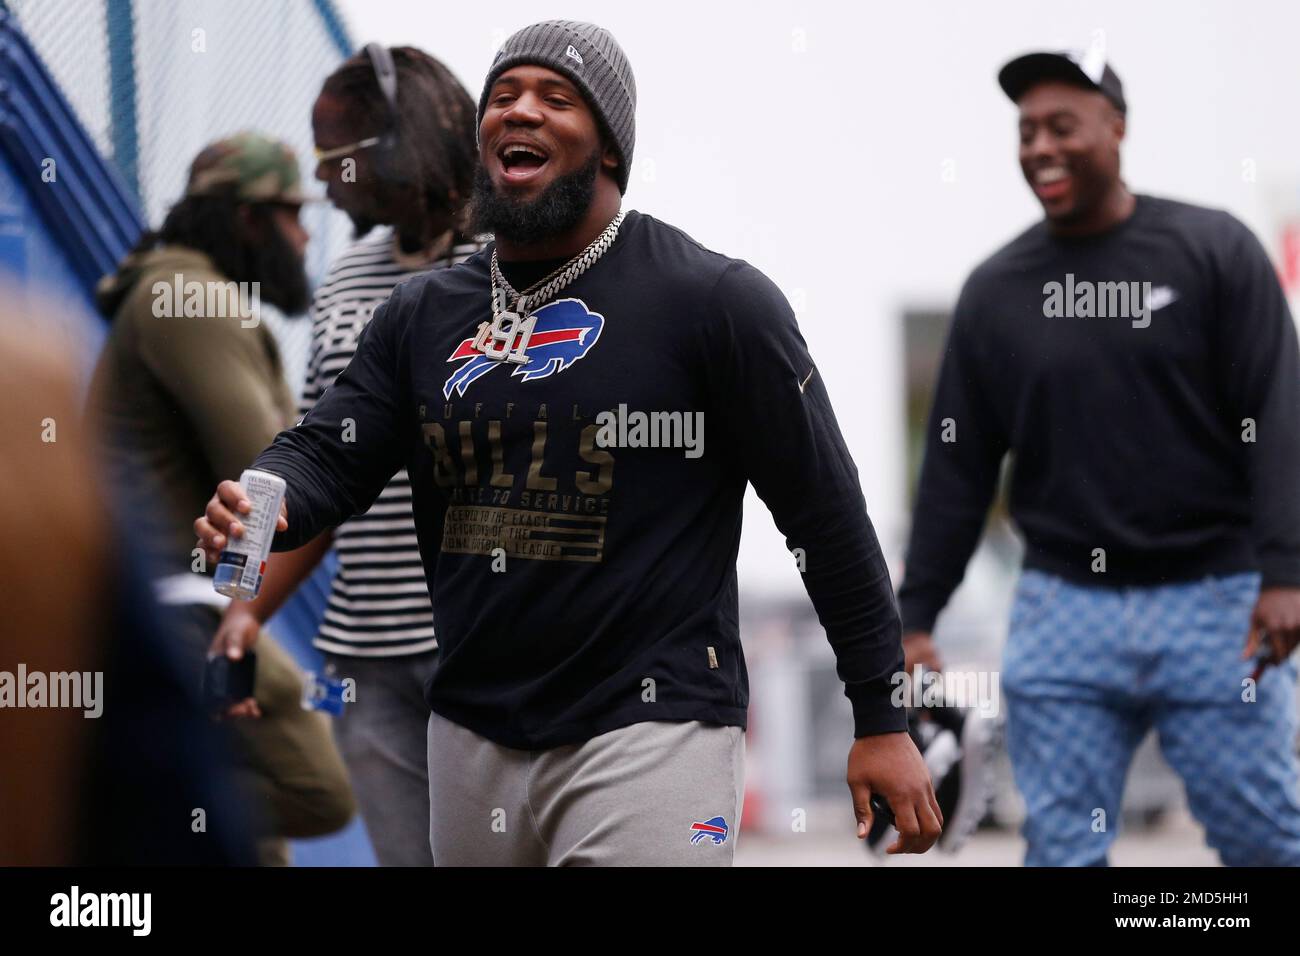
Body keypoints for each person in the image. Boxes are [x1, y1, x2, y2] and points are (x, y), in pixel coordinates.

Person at [197, 20, 940, 866]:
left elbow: (825, 514)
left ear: (611, 150)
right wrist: (266, 496)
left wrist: (880, 716)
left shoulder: (714, 302)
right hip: (471, 729)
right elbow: (332, 451)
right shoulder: (422, 315)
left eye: (557, 98)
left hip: (653, 728)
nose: (522, 112)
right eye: (504, 97)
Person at [897, 50, 1300, 866]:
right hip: (1064, 609)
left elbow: (1279, 414)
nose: (1040, 146)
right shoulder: (996, 291)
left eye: (1062, 126)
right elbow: (957, 468)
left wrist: (1286, 570)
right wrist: (915, 617)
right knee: (1062, 849)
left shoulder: (1213, 251)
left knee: (1265, 841)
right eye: (1026, 131)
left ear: (1117, 127)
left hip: (1218, 605)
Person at [210, 46, 484, 867]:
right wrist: (243, 608)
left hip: (477, 642)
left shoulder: (508, 266)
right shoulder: (347, 275)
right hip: (364, 653)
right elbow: (322, 467)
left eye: (335, 159)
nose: (324, 183)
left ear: (401, 143)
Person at [90, 132, 355, 864]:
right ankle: (119, 804)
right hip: (182, 613)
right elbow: (270, 482)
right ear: (248, 220)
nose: (306, 235)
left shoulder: (180, 295)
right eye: (293, 215)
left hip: (166, 610)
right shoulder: (192, 299)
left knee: (253, 848)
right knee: (318, 790)